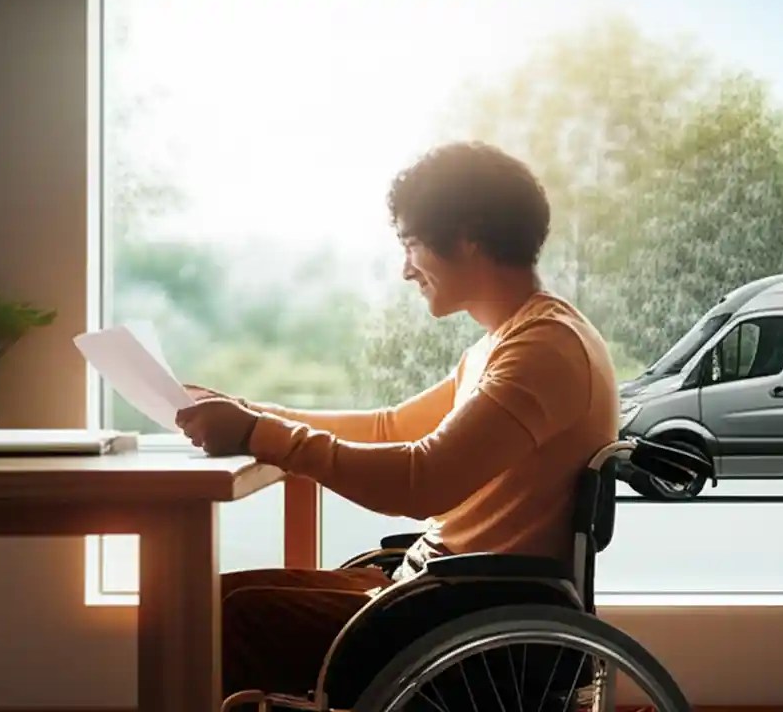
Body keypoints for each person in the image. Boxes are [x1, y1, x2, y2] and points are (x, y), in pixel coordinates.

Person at [174, 140, 620, 699]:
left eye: (410, 244)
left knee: (222, 619)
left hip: (466, 616)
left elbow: (422, 481)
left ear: (468, 235)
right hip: (438, 594)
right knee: (213, 601)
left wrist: (260, 436)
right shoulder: (510, 340)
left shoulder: (545, 349)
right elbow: (393, 428)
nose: (407, 269)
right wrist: (252, 413)